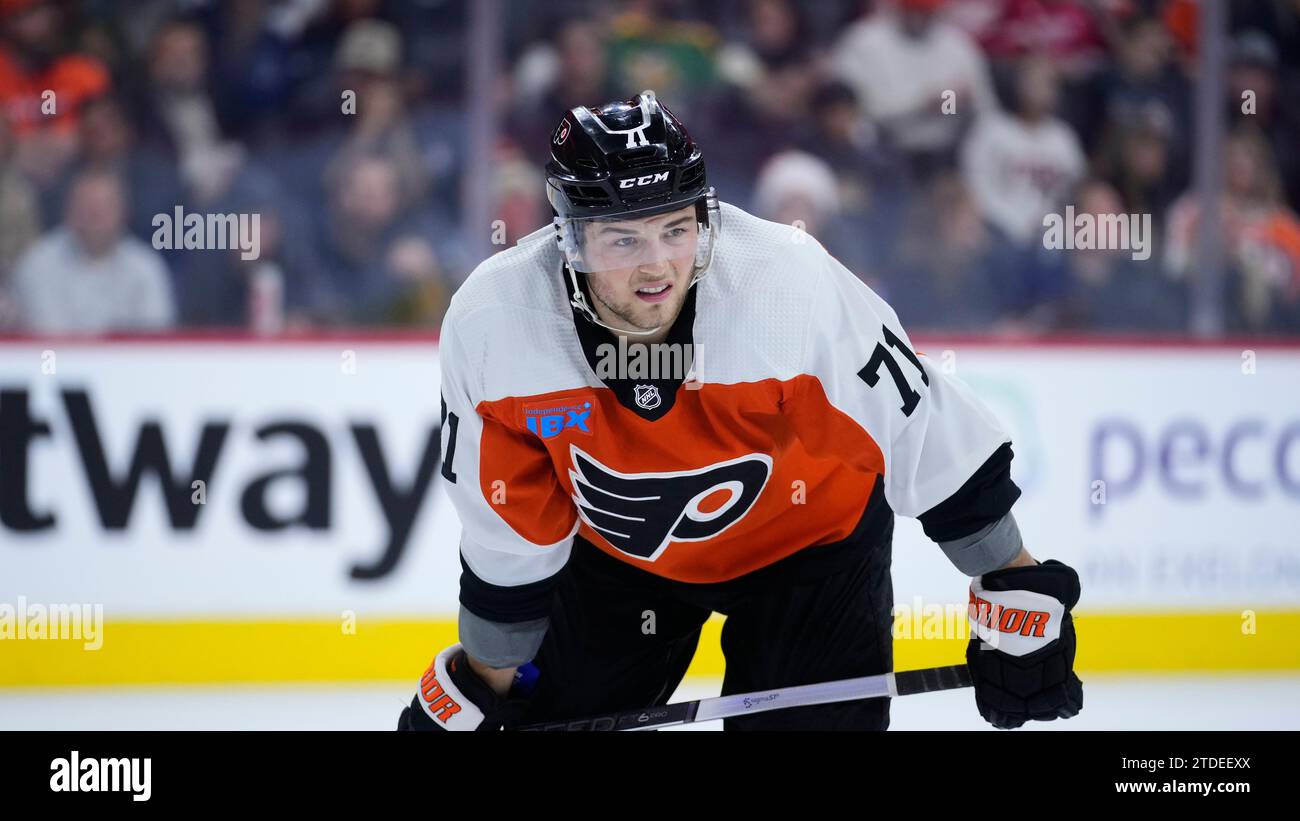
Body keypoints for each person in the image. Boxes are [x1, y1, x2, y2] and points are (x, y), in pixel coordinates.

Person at [398, 91, 1083, 731]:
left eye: (675, 229)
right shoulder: (497, 321)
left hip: (812, 549)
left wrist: (1015, 581)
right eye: (623, 240)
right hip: (622, 560)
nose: (657, 268)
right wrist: (486, 683)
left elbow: (917, 428)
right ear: (569, 241)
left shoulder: (783, 285)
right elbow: (509, 526)